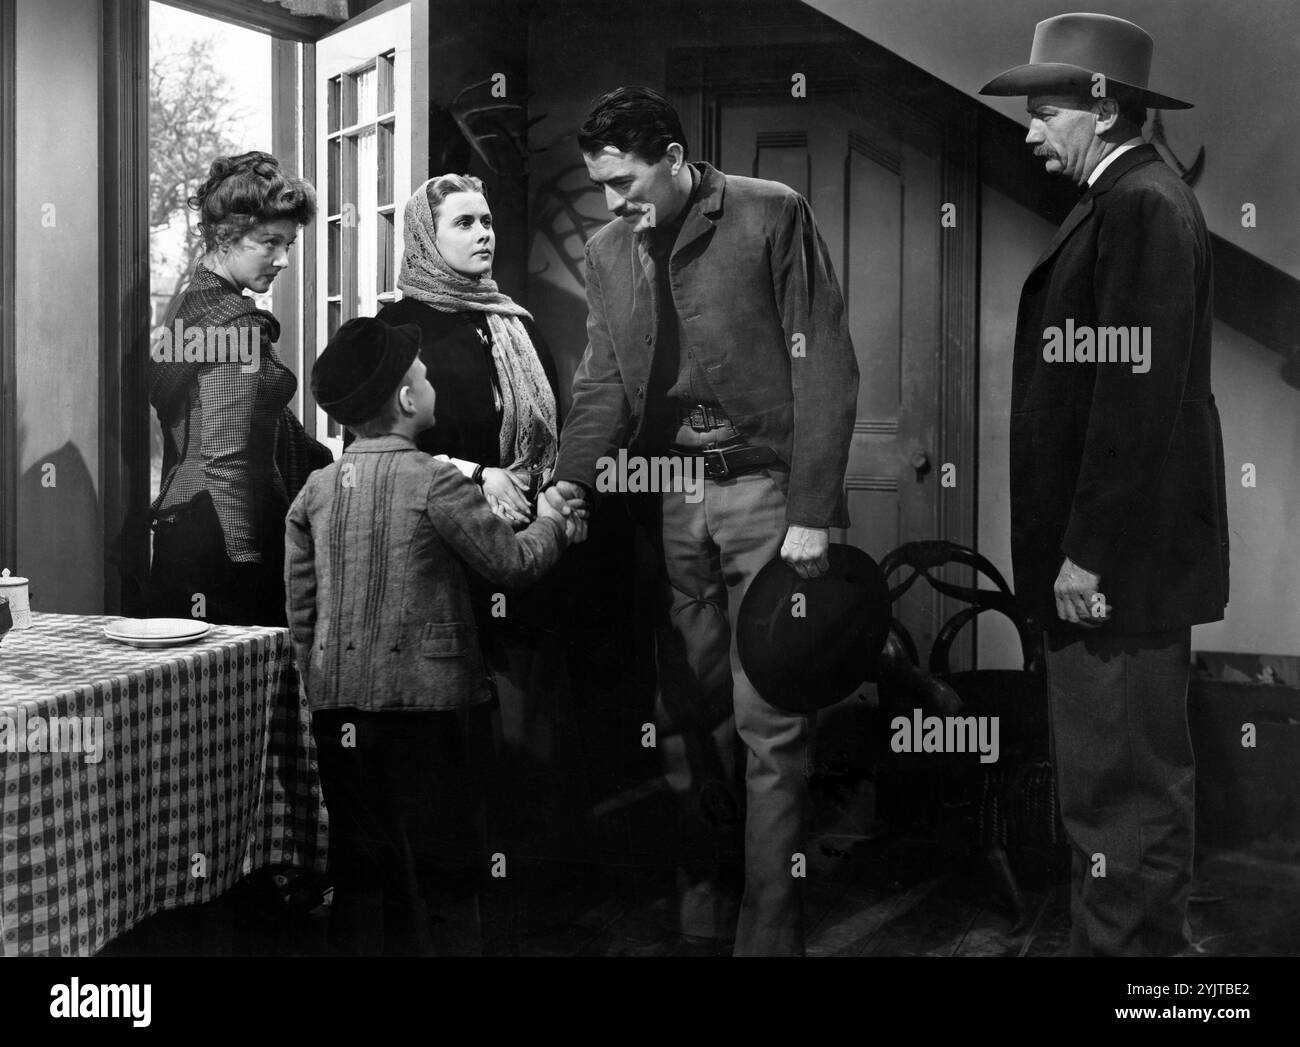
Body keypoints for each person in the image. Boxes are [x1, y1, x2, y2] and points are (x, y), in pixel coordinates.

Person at [544, 86, 859, 956]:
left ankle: (768, 935)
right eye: (602, 185)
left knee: (772, 722)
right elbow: (602, 382)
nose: (615, 203)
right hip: (667, 495)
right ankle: (699, 913)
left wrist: (812, 511)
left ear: (677, 159)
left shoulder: (769, 213)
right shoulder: (610, 250)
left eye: (628, 180)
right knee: (687, 714)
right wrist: (571, 483)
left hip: (766, 496)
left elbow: (826, 360)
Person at [980, 12, 1229, 955]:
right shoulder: (1122, 198)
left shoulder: (1141, 205)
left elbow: (1136, 407)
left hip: (1116, 573)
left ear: (1099, 104)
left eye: (1043, 111)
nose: (1030, 129)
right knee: (1112, 797)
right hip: (1110, 570)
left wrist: (1086, 552)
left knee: (1121, 801)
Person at [285, 316, 582, 956]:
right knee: (444, 863)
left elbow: (302, 612)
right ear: (407, 400)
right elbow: (511, 564)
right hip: (430, 705)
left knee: (365, 863)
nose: (430, 381)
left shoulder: (317, 488)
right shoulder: (437, 480)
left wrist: (321, 683)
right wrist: (554, 523)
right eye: (423, 374)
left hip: (339, 709)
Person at [374, 173, 594, 938]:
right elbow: (372, 454)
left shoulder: (512, 321)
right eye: (464, 222)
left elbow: (548, 428)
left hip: (526, 547)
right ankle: (471, 914)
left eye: (488, 220)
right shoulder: (395, 327)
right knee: (468, 741)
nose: (484, 233)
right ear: (426, 236)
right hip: (445, 556)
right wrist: (477, 475)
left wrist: (551, 496)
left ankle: (534, 908)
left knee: (534, 728)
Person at [148, 150, 323, 627]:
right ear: (227, 235)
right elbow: (227, 457)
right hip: (224, 533)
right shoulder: (235, 324)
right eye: (269, 242)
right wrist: (248, 563)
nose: (283, 259)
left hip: (191, 527)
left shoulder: (192, 303)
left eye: (288, 243)